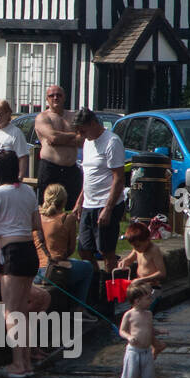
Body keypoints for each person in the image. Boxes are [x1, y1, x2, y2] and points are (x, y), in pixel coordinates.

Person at [0, 149, 49, 377]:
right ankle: (25, 363)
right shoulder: (27, 191)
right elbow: (36, 223)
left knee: (11, 312)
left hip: (13, 253)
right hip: (30, 252)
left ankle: (18, 365)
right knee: (23, 311)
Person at [72, 107, 125, 275]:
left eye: (83, 130)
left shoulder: (112, 142)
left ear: (93, 123)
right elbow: (88, 175)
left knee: (106, 251)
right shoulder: (88, 142)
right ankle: (97, 281)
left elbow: (118, 178)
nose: (80, 134)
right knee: (84, 249)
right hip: (89, 204)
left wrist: (108, 209)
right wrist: (80, 201)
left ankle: (110, 289)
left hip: (106, 204)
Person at [34, 183, 94, 306]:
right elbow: (71, 249)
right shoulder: (67, 218)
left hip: (37, 273)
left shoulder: (36, 218)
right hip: (55, 272)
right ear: (64, 200)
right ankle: (79, 308)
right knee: (87, 267)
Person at [34, 85, 82, 210]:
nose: (55, 98)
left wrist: (59, 139)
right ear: (47, 99)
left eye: (59, 95)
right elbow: (53, 137)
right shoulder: (43, 117)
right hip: (50, 169)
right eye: (52, 95)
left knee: (73, 209)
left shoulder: (73, 116)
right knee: (47, 208)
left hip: (71, 169)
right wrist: (73, 136)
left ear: (64, 97)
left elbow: (82, 140)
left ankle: (69, 229)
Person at [119, 282, 163, 378]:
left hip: (147, 352)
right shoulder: (129, 314)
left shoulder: (149, 314)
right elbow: (122, 331)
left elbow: (149, 329)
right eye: (148, 298)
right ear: (137, 301)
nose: (151, 300)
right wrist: (129, 337)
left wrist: (158, 332)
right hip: (133, 351)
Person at [118, 221, 167, 288]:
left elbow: (162, 273)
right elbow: (130, 259)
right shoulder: (137, 249)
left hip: (152, 286)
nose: (136, 248)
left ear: (147, 239)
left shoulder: (154, 250)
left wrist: (143, 280)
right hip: (141, 284)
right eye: (133, 246)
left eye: (138, 245)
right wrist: (124, 261)